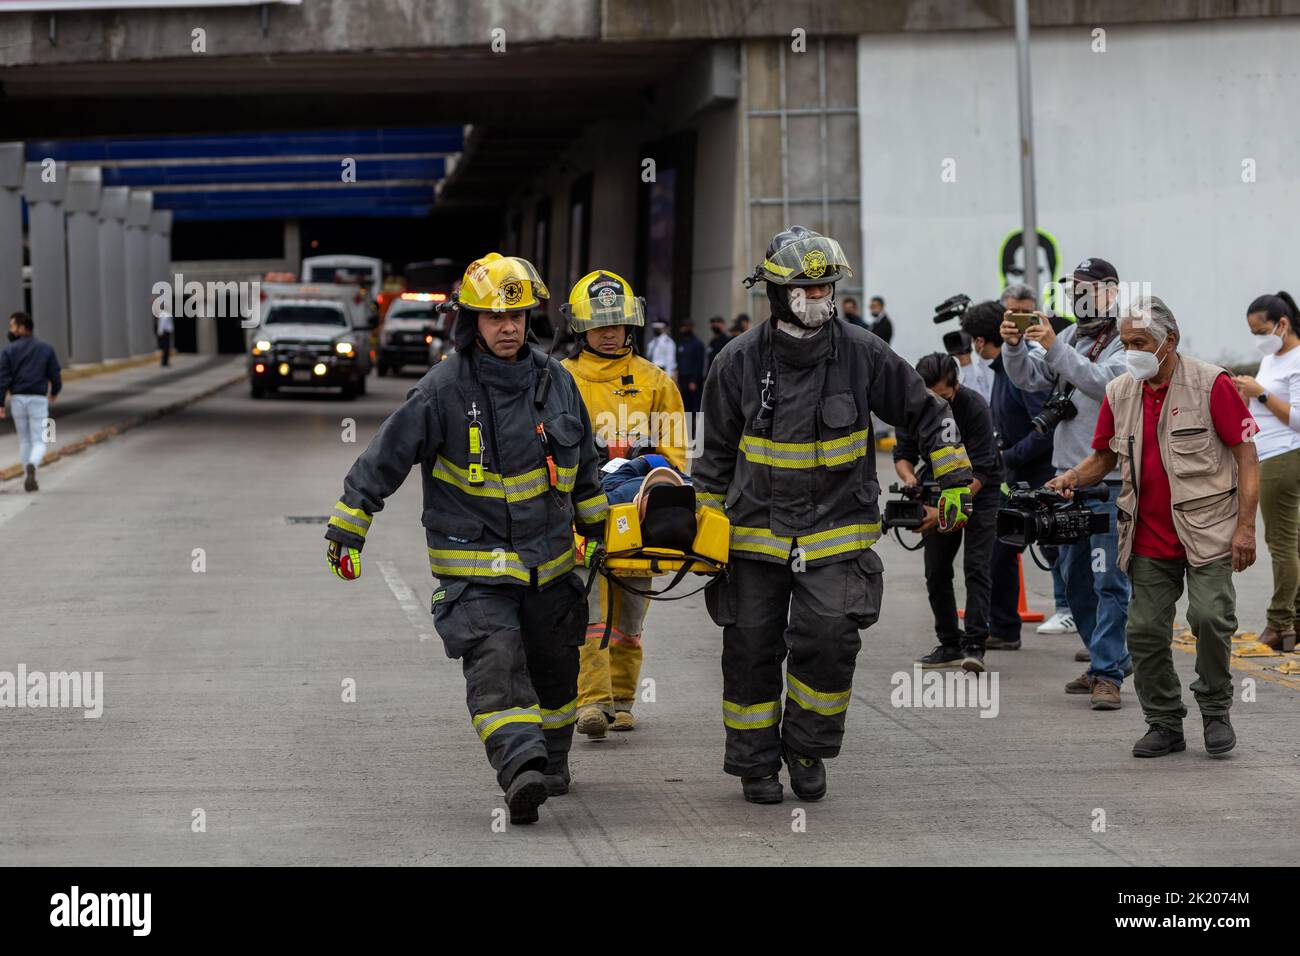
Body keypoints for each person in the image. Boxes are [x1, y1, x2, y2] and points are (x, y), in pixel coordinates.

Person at [322, 253, 609, 825]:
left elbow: (586, 467)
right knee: (497, 662)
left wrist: (597, 527)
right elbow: (386, 458)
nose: (508, 328)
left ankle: (550, 762)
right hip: (475, 570)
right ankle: (520, 769)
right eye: (494, 317)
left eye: (518, 316)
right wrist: (349, 528)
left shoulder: (557, 383)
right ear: (470, 322)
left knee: (555, 674)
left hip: (550, 568)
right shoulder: (442, 390)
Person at [695, 225, 974, 805]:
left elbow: (927, 413)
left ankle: (806, 749)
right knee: (749, 650)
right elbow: (714, 455)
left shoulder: (864, 352)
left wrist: (951, 478)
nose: (819, 297)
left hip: (835, 535)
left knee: (829, 642)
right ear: (774, 291)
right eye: (806, 287)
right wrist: (701, 525)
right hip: (755, 540)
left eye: (826, 287)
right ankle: (754, 764)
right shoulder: (737, 362)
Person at [1048, 296, 1258, 757]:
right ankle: (1164, 722)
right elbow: (1103, 455)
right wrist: (1071, 477)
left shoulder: (1210, 384)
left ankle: (1216, 708)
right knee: (1143, 632)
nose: (1131, 352)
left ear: (1171, 340)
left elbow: (1246, 456)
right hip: (1145, 535)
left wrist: (1245, 529)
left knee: (1209, 618)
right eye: (1125, 343)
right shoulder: (1120, 392)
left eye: (1140, 342)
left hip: (1208, 531)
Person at [1000, 256, 1132, 711]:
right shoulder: (1074, 336)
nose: (1078, 296)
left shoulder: (1126, 340)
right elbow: (1029, 376)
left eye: (1088, 288)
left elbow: (1103, 385)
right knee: (1075, 582)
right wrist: (1016, 345)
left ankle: (1109, 674)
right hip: (1066, 480)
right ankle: (1107, 659)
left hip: (1109, 481)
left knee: (1108, 581)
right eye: (1073, 288)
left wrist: (1055, 344)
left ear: (1112, 291)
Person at [560, 269, 687, 738]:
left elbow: (675, 458)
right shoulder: (562, 379)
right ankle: (591, 703)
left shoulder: (656, 382)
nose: (610, 332)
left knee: (629, 618)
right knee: (590, 615)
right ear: (581, 327)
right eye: (600, 323)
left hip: (638, 518)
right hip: (581, 519)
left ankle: (623, 699)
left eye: (617, 323)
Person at [895, 352, 1002, 672]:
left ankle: (974, 644)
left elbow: (983, 469)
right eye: (930, 398)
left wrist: (946, 510)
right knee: (937, 571)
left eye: (944, 398)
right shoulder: (913, 407)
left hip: (980, 492)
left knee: (976, 567)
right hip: (936, 489)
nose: (937, 404)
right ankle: (949, 643)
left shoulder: (974, 406)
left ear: (956, 386)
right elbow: (903, 454)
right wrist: (910, 479)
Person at [959, 298, 1055, 650]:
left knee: (1060, 558)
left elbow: (1045, 429)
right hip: (1016, 477)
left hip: (1042, 478)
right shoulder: (1001, 371)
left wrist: (1007, 456)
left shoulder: (1020, 372)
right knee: (1000, 551)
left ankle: (1103, 644)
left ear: (980, 342)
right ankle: (1004, 627)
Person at [997, 283, 1074, 643]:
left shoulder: (1046, 353)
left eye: (1026, 311)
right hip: (1019, 469)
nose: (1019, 319)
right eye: (1012, 312)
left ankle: (1067, 608)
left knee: (1055, 540)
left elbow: (1042, 422)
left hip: (1044, 468)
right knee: (1034, 541)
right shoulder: (1009, 354)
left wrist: (1009, 456)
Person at [1232, 291, 1300, 652]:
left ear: (1283, 324)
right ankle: (1294, 623)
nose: (1258, 339)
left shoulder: (1297, 359)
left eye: (1262, 331)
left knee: (1282, 543)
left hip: (1283, 456)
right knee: (1293, 543)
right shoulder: (1276, 357)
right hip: (1271, 454)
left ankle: (1278, 622)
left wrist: (1259, 394)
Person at [0, 311, 62, 493]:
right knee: (40, 440)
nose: (10, 330)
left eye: (12, 326)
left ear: (22, 327)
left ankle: (28, 471)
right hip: (38, 399)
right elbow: (55, 374)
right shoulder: (46, 348)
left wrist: (1, 403)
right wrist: (55, 391)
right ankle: (32, 467)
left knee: (24, 440)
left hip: (18, 399)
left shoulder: (8, 350)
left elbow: (3, 379)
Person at [675, 318, 706, 415]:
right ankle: (688, 429)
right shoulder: (682, 343)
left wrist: (693, 380)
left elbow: (699, 363)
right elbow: (679, 362)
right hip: (683, 379)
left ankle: (698, 429)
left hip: (693, 381)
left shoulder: (697, 344)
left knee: (696, 407)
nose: (683, 329)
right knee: (686, 406)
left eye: (686, 327)